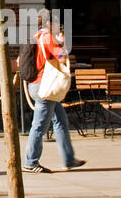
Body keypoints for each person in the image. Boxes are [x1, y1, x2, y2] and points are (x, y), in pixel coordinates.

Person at [22, 17, 85, 174]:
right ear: (49, 24)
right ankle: (30, 162)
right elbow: (61, 57)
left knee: (61, 121)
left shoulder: (35, 36)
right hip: (46, 87)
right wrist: (62, 43)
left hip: (36, 84)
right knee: (39, 126)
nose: (58, 26)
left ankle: (69, 158)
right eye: (57, 23)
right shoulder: (47, 37)